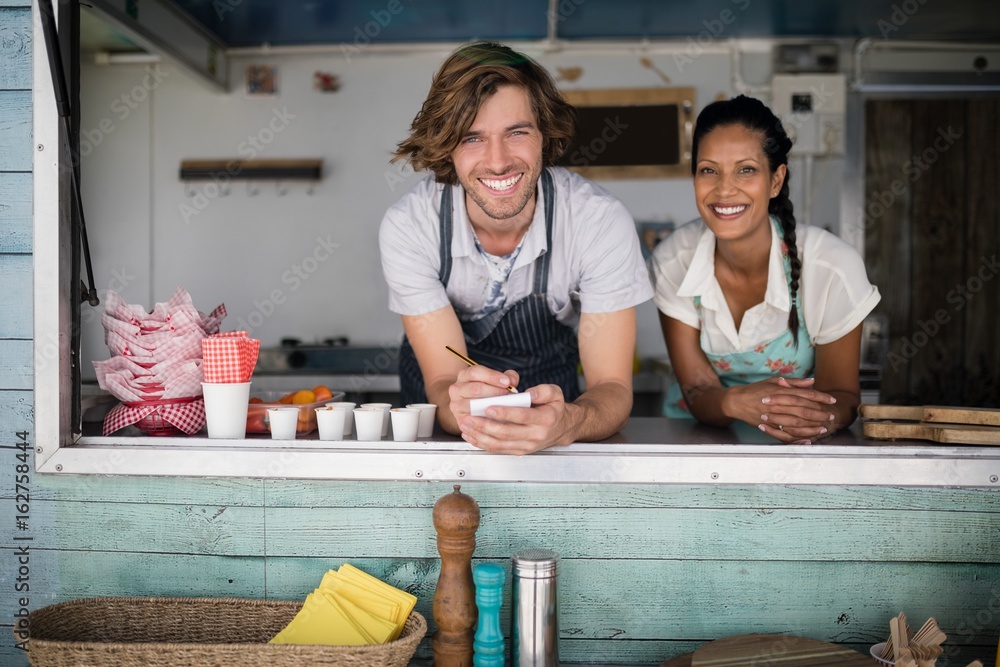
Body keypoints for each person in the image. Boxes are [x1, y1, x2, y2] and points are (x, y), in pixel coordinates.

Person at [379, 41, 652, 455]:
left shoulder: (598, 222)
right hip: (443, 441)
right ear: (447, 148)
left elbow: (611, 387)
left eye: (517, 132)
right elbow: (441, 381)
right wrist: (471, 415)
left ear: (545, 135)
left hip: (556, 438)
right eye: (472, 138)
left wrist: (569, 422)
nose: (499, 161)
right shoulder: (410, 227)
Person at [651, 95, 880, 443]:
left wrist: (815, 418)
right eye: (708, 170)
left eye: (746, 170)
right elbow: (698, 391)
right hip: (697, 441)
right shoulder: (673, 261)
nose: (724, 189)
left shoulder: (832, 269)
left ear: (775, 180)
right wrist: (733, 401)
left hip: (797, 443)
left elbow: (842, 397)